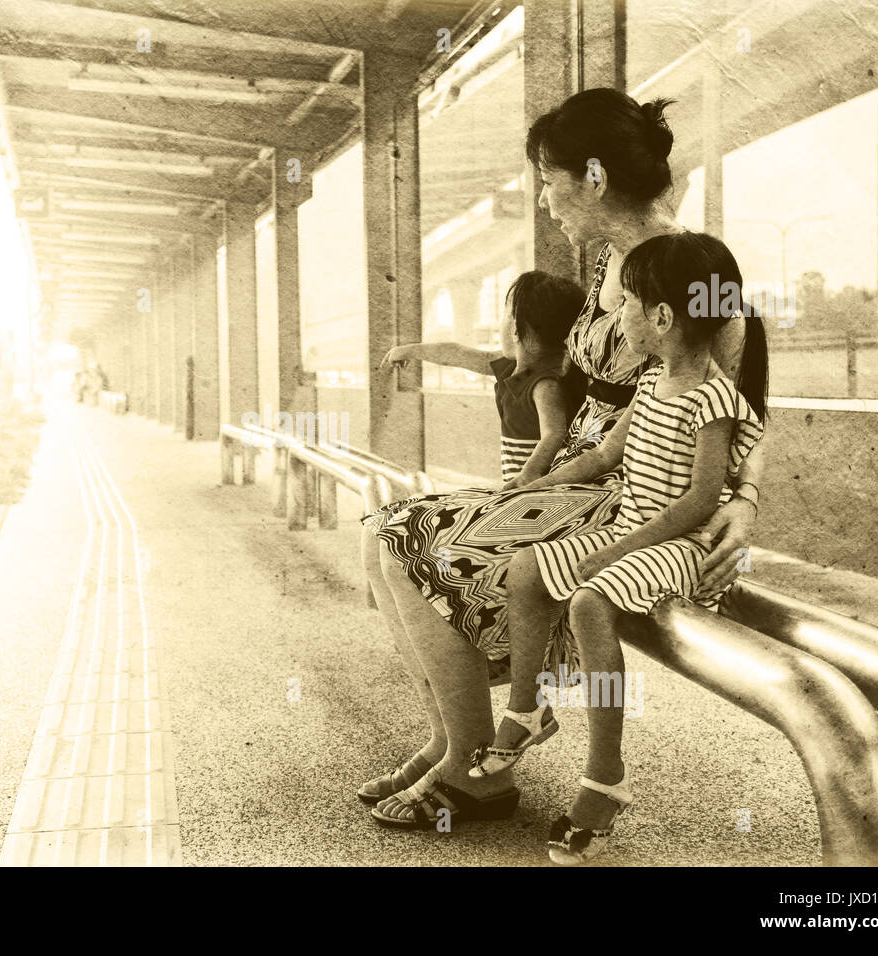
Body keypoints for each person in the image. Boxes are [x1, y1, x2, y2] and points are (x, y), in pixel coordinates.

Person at [358, 88, 765, 829]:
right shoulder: (610, 261)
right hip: (577, 469)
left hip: (629, 484)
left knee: (407, 540)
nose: (545, 200)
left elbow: (746, 404)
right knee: (382, 529)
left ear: (595, 177)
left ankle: (476, 769)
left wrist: (744, 499)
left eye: (549, 179)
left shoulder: (685, 269)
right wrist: (536, 474)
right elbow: (571, 381)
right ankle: (456, 738)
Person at [490, 233, 767, 863]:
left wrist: (615, 553)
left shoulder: (713, 397)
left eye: (630, 306)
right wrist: (534, 485)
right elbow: (602, 456)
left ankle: (604, 776)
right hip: (632, 531)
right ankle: (526, 708)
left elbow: (700, 502)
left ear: (663, 318)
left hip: (680, 544)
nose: (621, 319)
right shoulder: (649, 385)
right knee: (527, 567)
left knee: (589, 601)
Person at [380, 271, 586, 487]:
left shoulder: (545, 385)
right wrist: (410, 350)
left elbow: (554, 433)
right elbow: (456, 353)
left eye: (505, 314)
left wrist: (529, 474)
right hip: (522, 484)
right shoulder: (513, 367)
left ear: (516, 329)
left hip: (538, 487)